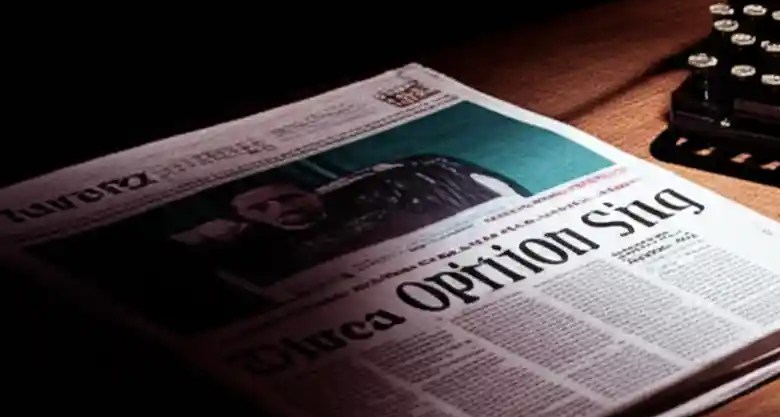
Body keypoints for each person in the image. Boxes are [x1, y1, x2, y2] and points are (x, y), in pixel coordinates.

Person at [173, 154, 529, 287]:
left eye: (288, 197)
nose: (280, 209)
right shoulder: (257, 251)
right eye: (260, 209)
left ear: (315, 192)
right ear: (244, 219)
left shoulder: (394, 187)